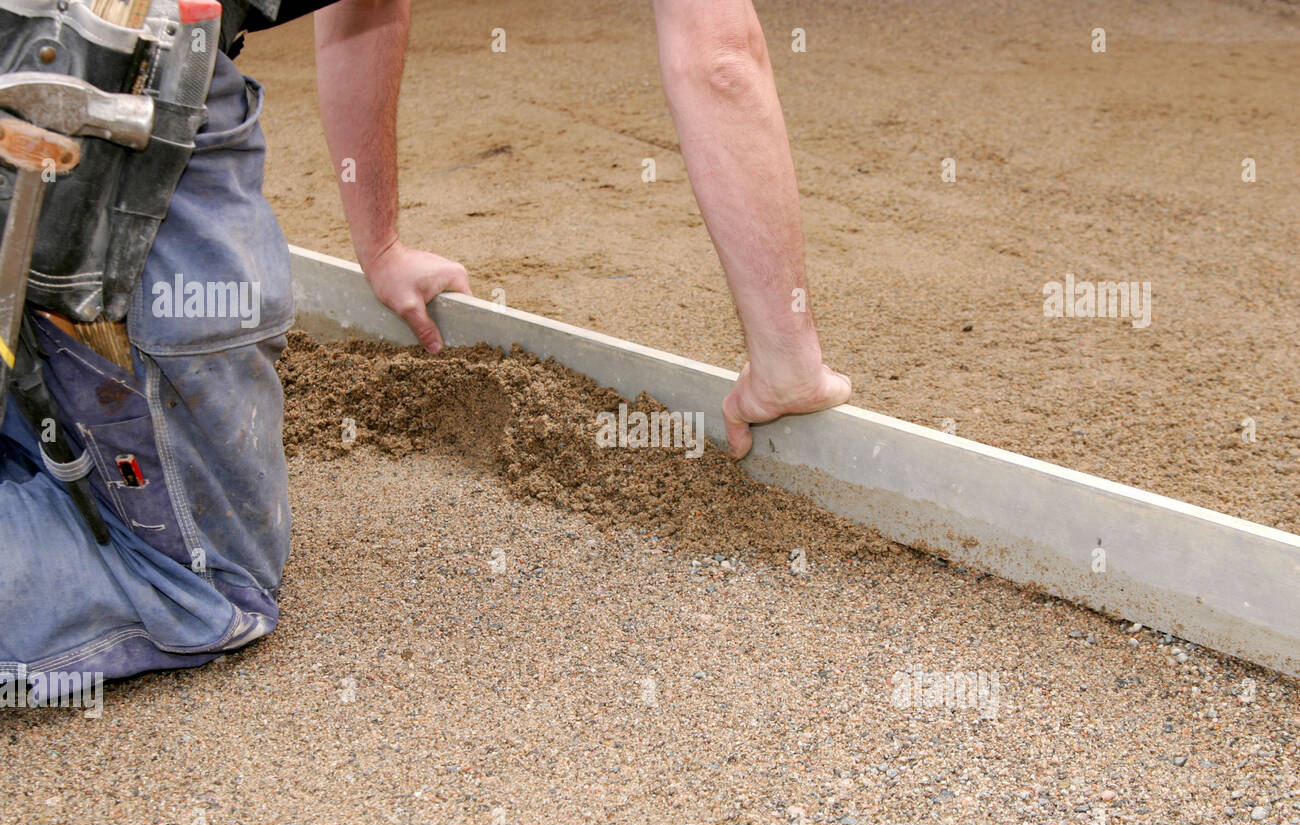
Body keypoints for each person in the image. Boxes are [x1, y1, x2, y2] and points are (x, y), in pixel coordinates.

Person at [0, 0, 849, 689]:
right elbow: (721, 57)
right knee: (199, 577)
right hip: (93, 84)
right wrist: (787, 362)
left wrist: (380, 245)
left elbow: (364, 5)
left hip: (52, 58)